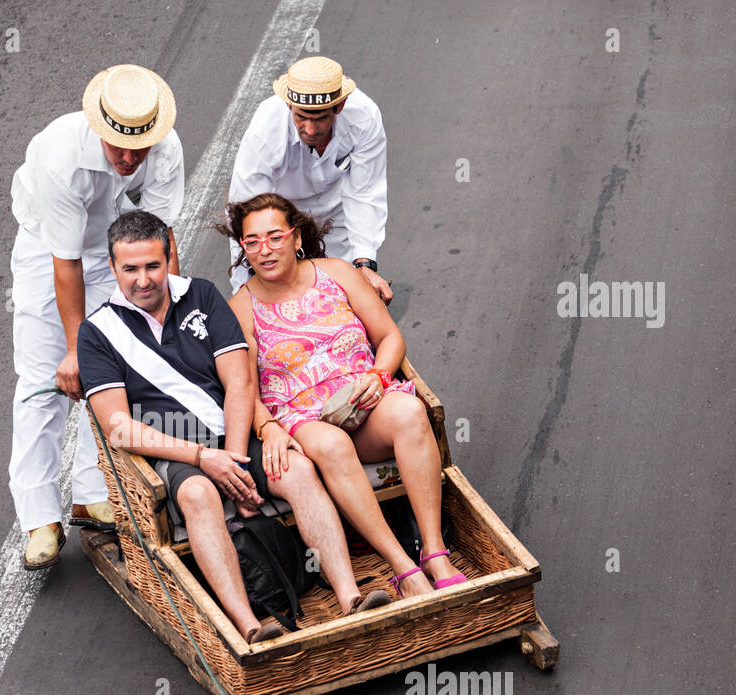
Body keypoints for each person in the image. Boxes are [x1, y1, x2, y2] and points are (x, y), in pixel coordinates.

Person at [78, 211, 389, 642]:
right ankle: (249, 625)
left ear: (169, 259)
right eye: (129, 269)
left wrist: (236, 460)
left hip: (235, 439)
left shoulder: (201, 296)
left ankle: (350, 596)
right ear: (113, 268)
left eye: (152, 266)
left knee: (297, 471)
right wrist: (206, 459)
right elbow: (119, 428)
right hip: (175, 452)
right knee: (200, 493)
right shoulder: (97, 332)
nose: (143, 280)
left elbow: (239, 382)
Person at [222, 193, 468, 599]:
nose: (264, 250)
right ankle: (403, 566)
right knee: (333, 444)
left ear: (295, 237)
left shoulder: (336, 272)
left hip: (362, 398)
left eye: (274, 237)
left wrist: (378, 373)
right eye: (252, 242)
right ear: (244, 249)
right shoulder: (241, 309)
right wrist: (268, 429)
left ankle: (434, 552)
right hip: (304, 418)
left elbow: (389, 337)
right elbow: (243, 388)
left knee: (409, 410)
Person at [9, 65, 185, 569]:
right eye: (118, 148)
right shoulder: (62, 157)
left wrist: (167, 322)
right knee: (45, 382)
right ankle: (40, 517)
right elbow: (67, 267)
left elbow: (161, 243)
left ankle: (92, 492)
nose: (130, 160)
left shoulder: (165, 149)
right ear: (100, 129)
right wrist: (73, 349)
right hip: (50, 254)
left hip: (120, 250)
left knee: (118, 372)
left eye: (140, 148)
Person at [227, 56, 393, 305]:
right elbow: (248, 212)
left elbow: (365, 192)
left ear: (340, 106)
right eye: (302, 117)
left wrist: (364, 263)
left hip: (337, 219)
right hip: (280, 222)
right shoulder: (265, 129)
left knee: (345, 304)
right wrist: (246, 284)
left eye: (321, 118)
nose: (311, 130)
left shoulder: (365, 117)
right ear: (287, 104)